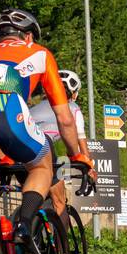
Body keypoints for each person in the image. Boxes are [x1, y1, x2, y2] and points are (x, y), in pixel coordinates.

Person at [0, 9, 94, 254]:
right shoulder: (38, 52)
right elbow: (64, 118)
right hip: (7, 114)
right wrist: (78, 156)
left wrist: (0, 154)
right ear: (28, 35)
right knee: (43, 164)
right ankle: (25, 224)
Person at [28, 68, 91, 217]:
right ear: (74, 94)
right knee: (59, 202)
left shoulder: (33, 108)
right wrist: (89, 169)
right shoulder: (73, 108)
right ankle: (62, 241)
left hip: (22, 150)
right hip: (44, 148)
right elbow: (81, 144)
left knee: (32, 197)